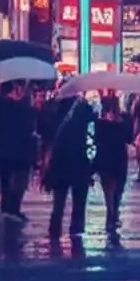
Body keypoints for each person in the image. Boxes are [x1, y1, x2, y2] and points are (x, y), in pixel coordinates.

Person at [43, 97, 96, 240]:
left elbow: (46, 135)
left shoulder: (53, 108)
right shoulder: (85, 108)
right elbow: (91, 135)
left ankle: (55, 231)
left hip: (59, 161)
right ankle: (76, 233)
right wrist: (91, 161)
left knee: (58, 203)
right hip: (80, 160)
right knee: (79, 202)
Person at [0, 82, 37, 222]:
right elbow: (29, 127)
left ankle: (6, 208)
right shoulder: (21, 108)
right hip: (20, 150)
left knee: (5, 180)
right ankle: (13, 208)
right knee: (19, 181)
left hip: (3, 149)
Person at [95, 95, 130, 234]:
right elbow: (129, 138)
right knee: (115, 189)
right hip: (117, 158)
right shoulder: (121, 122)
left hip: (107, 157)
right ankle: (113, 212)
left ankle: (112, 212)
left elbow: (96, 140)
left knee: (111, 190)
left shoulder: (101, 123)